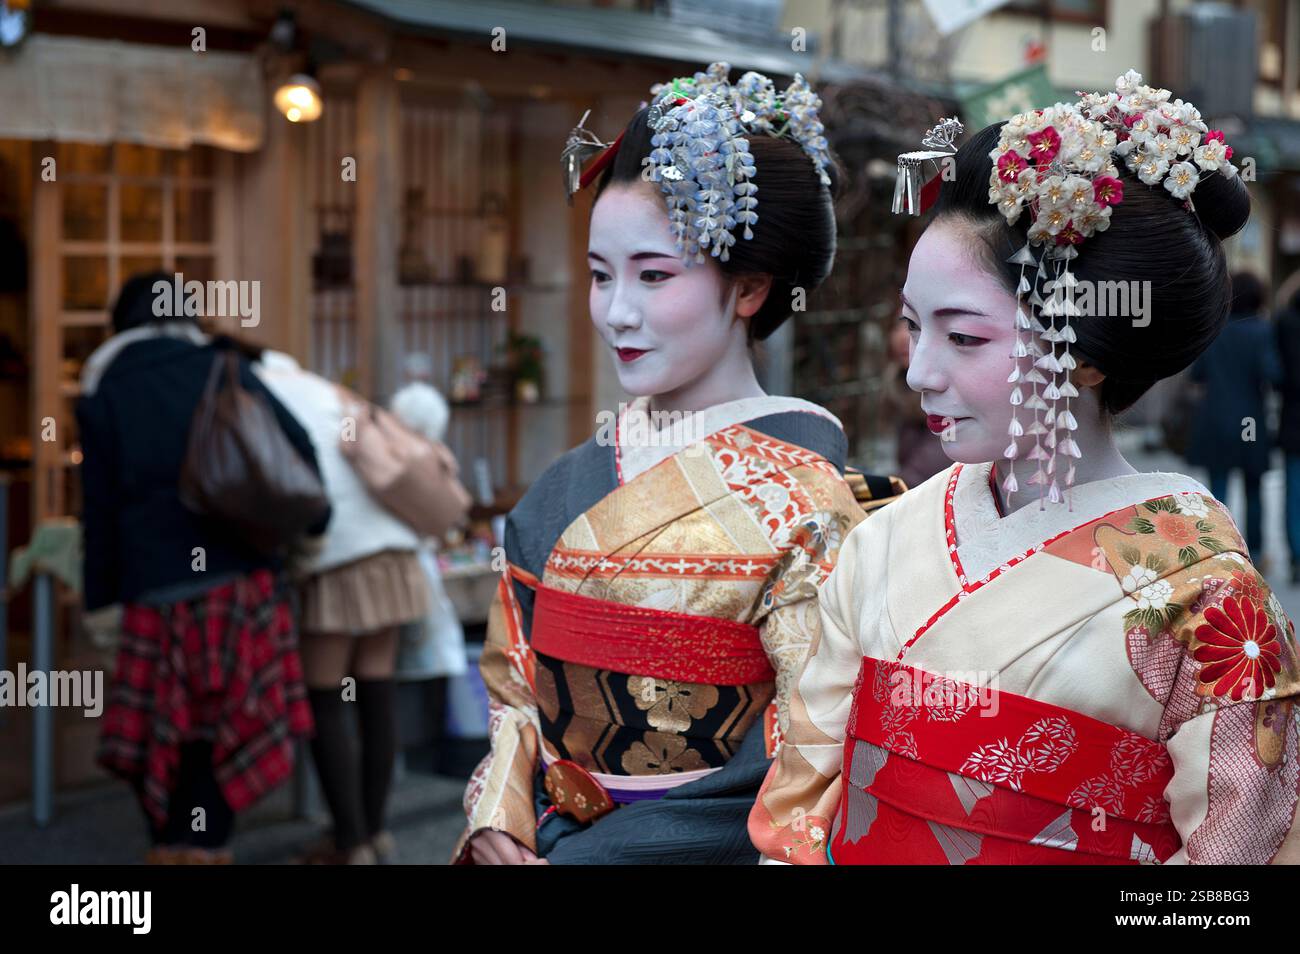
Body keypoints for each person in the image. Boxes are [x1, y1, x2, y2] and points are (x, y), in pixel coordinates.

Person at [750, 73, 1300, 864]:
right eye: (912, 327)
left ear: (1084, 357)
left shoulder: (1212, 600)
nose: (920, 372)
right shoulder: (885, 538)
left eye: (965, 338)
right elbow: (801, 806)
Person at [456, 63, 872, 864]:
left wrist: (599, 857)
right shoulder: (566, 483)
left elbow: (805, 756)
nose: (618, 311)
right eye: (599, 275)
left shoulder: (811, 504)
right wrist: (501, 817)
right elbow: (514, 686)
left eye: (654, 275)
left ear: (749, 287)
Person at [80, 272, 328, 864]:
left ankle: (168, 843)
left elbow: (99, 507)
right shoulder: (223, 367)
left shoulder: (106, 389)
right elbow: (301, 457)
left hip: (153, 586)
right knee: (224, 724)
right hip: (239, 581)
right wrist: (309, 534)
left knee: (163, 724)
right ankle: (210, 845)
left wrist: (100, 599)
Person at [255, 350, 434, 864]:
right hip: (394, 547)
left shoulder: (257, 393)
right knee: (375, 690)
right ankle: (374, 833)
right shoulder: (326, 388)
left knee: (325, 698)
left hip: (338, 555)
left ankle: (348, 842)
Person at [1185, 272, 1283, 564]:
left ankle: (1221, 551)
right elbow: (1273, 374)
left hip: (1215, 418)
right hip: (1249, 424)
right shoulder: (1262, 331)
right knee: (1253, 488)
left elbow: (1197, 374)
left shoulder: (1215, 331)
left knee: (1218, 489)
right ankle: (1255, 552)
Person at [1276, 288, 1300, 583]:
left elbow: (1278, 374)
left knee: (1293, 490)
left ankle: (1296, 555)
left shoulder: (1285, 321)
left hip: (1293, 418)